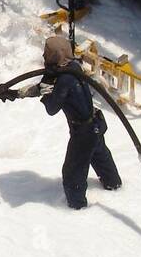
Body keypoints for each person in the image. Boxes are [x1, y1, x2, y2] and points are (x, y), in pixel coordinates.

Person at [17, 35, 122, 209]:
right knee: (100, 156)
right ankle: (114, 184)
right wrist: (18, 93)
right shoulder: (73, 67)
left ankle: (77, 208)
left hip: (83, 133)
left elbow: (52, 108)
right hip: (94, 124)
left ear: (55, 56)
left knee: (73, 173)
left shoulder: (66, 79)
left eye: (47, 53)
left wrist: (46, 94)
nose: (44, 56)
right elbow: (49, 84)